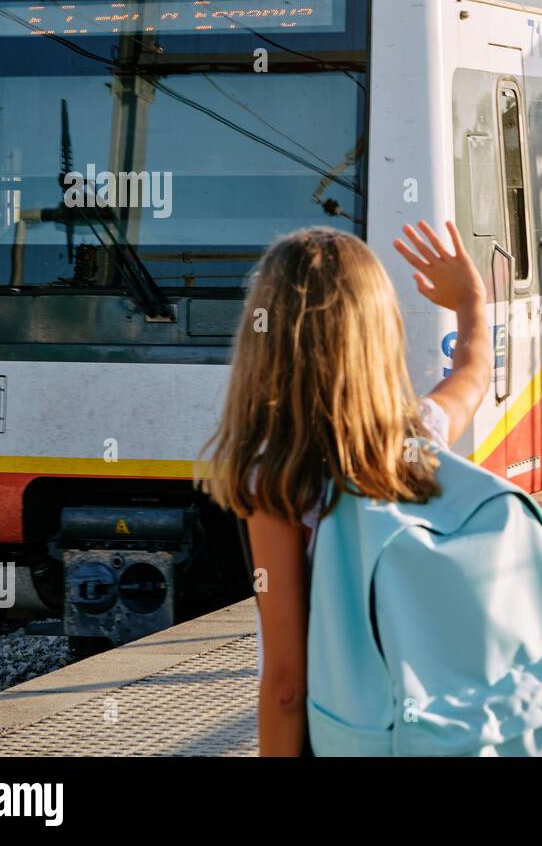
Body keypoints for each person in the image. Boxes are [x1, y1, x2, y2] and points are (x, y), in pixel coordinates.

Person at [201, 221, 491, 755]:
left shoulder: (278, 477)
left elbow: (288, 685)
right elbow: (472, 374)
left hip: (339, 734)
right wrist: (472, 300)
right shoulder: (419, 434)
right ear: (380, 331)